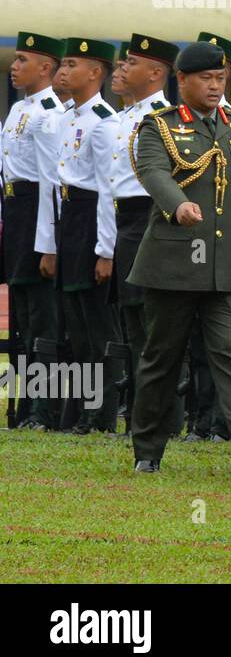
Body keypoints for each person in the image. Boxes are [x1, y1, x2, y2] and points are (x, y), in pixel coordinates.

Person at [42, 37, 119, 433]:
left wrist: (105, 250)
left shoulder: (104, 121)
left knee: (96, 326)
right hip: (70, 216)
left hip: (90, 218)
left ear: (95, 73)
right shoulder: (70, 117)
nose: (63, 71)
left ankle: (102, 413)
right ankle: (83, 411)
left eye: (72, 64)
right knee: (75, 323)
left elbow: (108, 189)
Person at [105, 34, 178, 431]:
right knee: (132, 320)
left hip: (150, 217)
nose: (122, 69)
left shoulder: (166, 117)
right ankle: (139, 411)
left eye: (131, 63)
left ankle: (162, 416)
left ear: (155, 73)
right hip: (124, 221)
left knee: (155, 325)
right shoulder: (124, 118)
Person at [1, 33, 65, 431]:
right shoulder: (20, 110)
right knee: (20, 319)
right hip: (15, 211)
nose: (14, 65)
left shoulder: (49, 113)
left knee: (42, 322)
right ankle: (20, 406)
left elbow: (49, 183)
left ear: (45, 68)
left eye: (22, 59)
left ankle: (43, 409)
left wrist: (48, 244)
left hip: (34, 214)